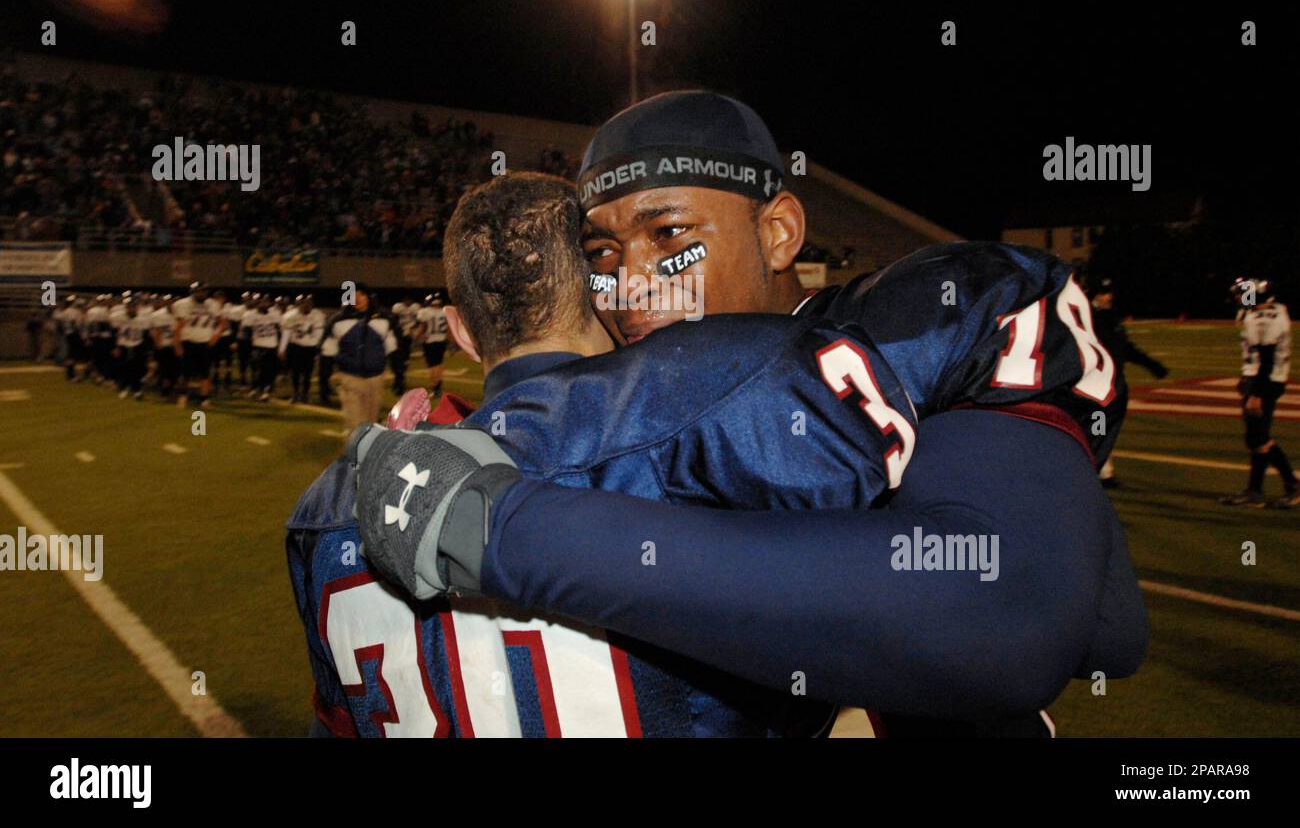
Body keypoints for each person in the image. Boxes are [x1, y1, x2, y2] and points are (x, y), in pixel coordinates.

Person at [349, 92, 1143, 729]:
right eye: (601, 253)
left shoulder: (915, 326)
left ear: (778, 232)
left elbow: (1017, 618)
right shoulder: (625, 388)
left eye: (670, 233)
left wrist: (499, 528)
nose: (631, 282)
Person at [1221, 277, 1297, 509]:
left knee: (1258, 437)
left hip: (1265, 382)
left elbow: (1266, 361)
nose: (1238, 299)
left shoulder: (1260, 320)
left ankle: (1291, 484)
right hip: (1266, 379)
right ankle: (1255, 489)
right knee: (1256, 437)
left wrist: (1255, 393)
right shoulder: (1278, 310)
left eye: (1241, 294)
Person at [1089, 277, 1167, 488]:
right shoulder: (1089, 317)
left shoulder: (1109, 316)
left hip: (1111, 380)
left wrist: (1150, 364)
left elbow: (1124, 348)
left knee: (1102, 427)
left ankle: (1102, 471)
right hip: (1095, 382)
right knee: (1098, 427)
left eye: (1109, 292)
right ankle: (1098, 472)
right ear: (1096, 295)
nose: (1109, 296)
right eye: (1104, 293)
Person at [321, 283, 396, 434]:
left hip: (376, 378)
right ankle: (354, 455)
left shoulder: (383, 319)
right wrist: (325, 380)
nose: (358, 298)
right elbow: (327, 353)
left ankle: (366, 455)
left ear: (368, 297)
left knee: (371, 423)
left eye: (361, 294)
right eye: (353, 295)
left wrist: (399, 375)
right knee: (355, 425)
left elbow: (392, 349)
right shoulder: (337, 322)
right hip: (350, 378)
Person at [172, 281, 224, 408]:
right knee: (185, 373)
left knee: (205, 373)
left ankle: (204, 399)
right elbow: (177, 327)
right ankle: (183, 396)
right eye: (198, 291)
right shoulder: (183, 304)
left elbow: (222, 323)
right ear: (192, 292)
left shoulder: (213, 304)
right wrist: (177, 345)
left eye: (203, 291)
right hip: (188, 342)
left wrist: (215, 337)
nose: (200, 294)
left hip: (204, 342)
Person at [280, 294, 325, 403]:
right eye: (302, 303)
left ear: (312, 304)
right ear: (297, 305)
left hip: (310, 347)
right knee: (295, 372)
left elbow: (319, 334)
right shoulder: (290, 316)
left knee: (307, 373)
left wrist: (317, 347)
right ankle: (295, 393)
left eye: (308, 303)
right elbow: (286, 333)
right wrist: (282, 348)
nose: (305, 306)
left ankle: (305, 394)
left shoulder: (318, 315)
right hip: (295, 346)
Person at [243, 294, 282, 401]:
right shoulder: (250, 315)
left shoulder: (275, 314)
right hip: (257, 346)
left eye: (265, 302)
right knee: (257, 370)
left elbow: (279, 331)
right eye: (260, 302)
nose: (263, 304)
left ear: (269, 303)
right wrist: (249, 348)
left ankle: (266, 391)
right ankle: (256, 388)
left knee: (269, 370)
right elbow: (247, 333)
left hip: (272, 346)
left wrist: (280, 347)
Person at [415, 289, 451, 396]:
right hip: (441, 341)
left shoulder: (425, 312)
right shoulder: (444, 311)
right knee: (439, 364)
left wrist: (416, 337)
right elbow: (448, 329)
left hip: (430, 341)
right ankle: (438, 386)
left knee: (432, 366)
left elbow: (423, 327)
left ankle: (435, 388)